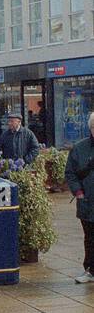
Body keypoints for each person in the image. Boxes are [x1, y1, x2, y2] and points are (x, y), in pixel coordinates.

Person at [65, 111, 94, 284]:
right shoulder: (79, 148)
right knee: (90, 237)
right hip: (88, 201)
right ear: (91, 129)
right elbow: (70, 173)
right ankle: (90, 270)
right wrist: (78, 192)